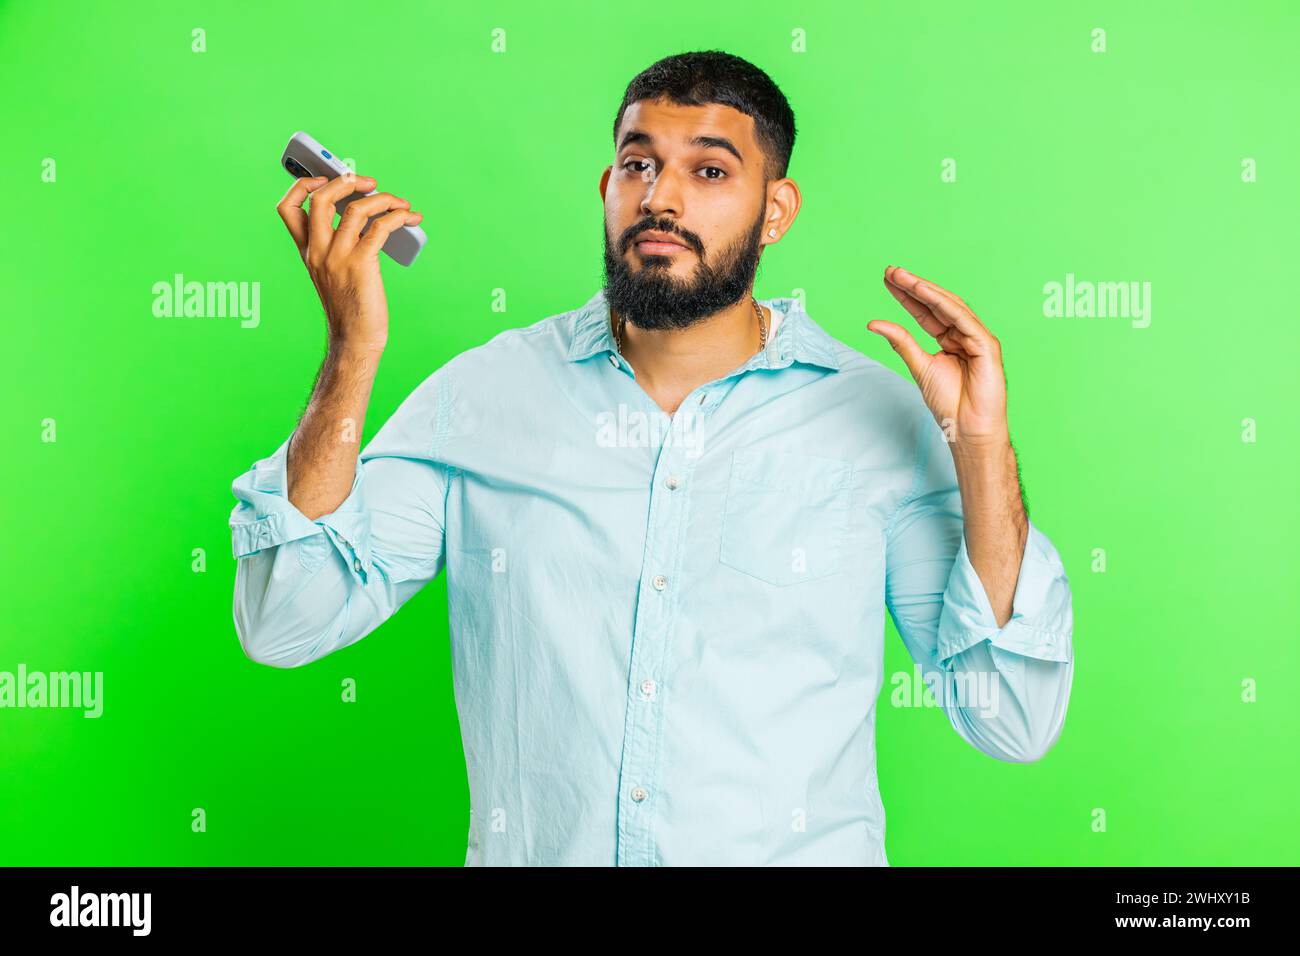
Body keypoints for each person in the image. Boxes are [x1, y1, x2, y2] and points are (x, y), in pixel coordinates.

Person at [229, 50, 1074, 866]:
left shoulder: (874, 420)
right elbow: (285, 619)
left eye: (710, 172)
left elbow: (1011, 716)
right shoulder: (483, 396)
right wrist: (353, 349)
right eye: (638, 165)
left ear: (775, 211)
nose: (661, 199)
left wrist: (981, 447)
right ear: (607, 187)